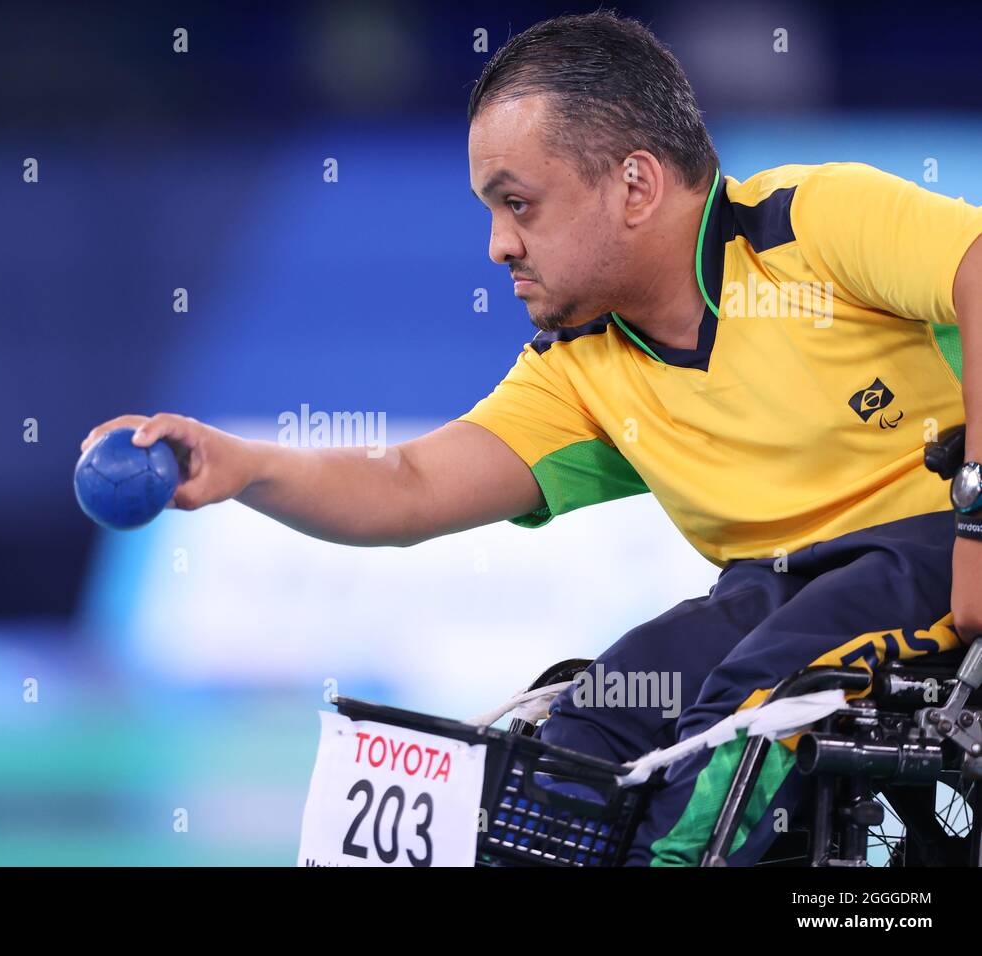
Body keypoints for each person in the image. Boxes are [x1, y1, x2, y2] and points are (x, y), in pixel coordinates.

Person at [82, 11, 982, 865]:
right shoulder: (581, 367)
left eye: (518, 204)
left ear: (634, 184)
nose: (497, 246)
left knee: (745, 715)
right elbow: (409, 484)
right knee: (589, 733)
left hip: (936, 541)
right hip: (776, 592)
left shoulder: (811, 223)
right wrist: (244, 468)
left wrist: (977, 517)